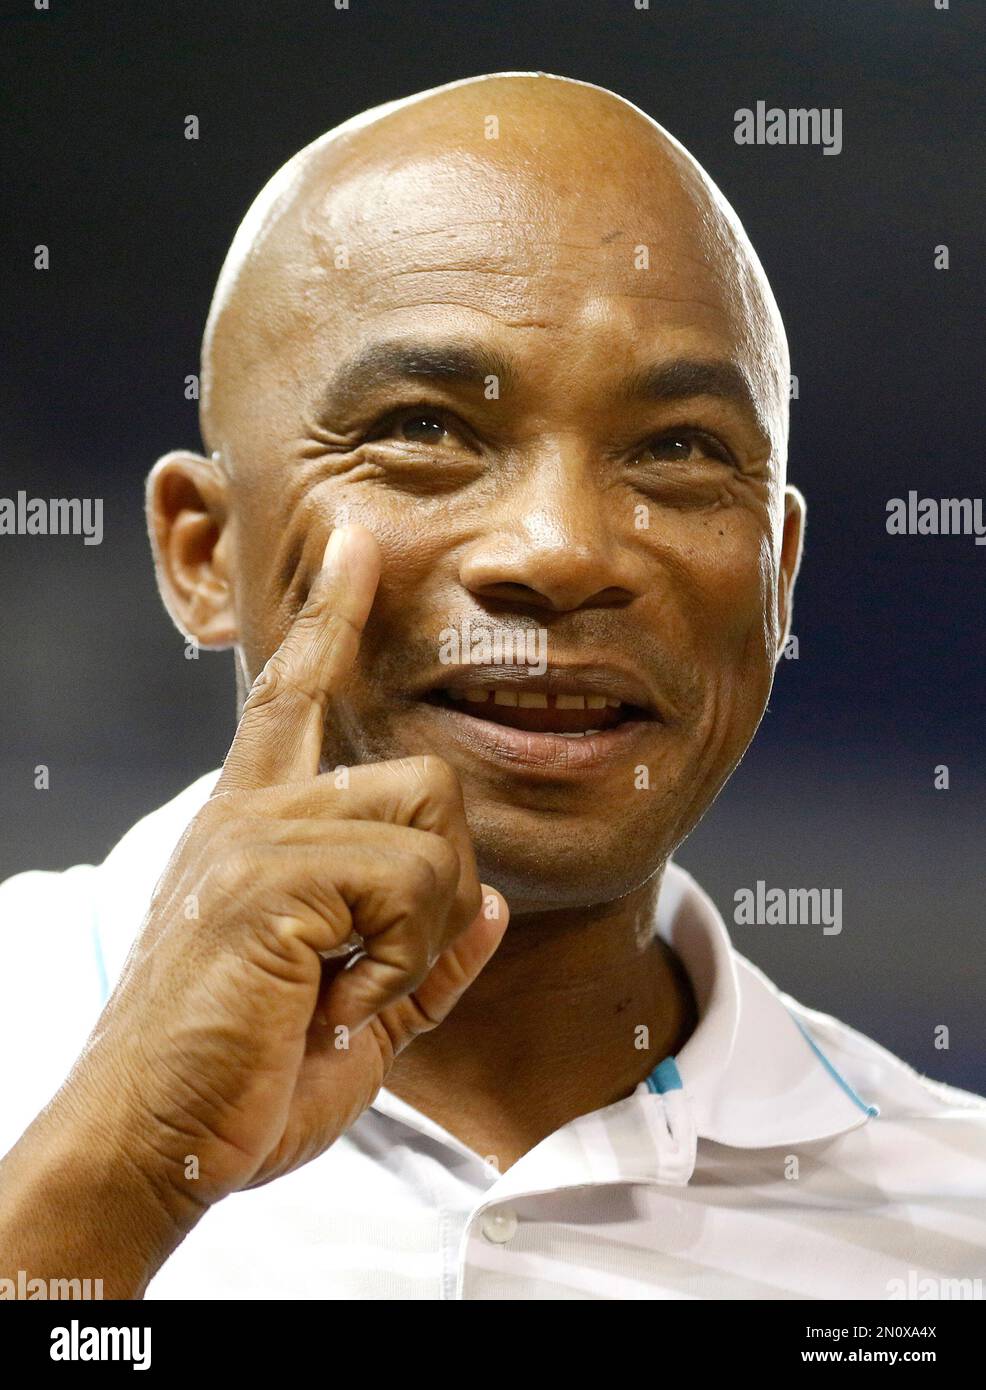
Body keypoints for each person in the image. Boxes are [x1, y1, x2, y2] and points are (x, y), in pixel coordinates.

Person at [1, 72, 983, 1302]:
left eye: (678, 451)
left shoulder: (954, 1226)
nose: (560, 550)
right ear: (202, 551)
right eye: (425, 429)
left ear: (777, 578)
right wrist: (125, 1166)